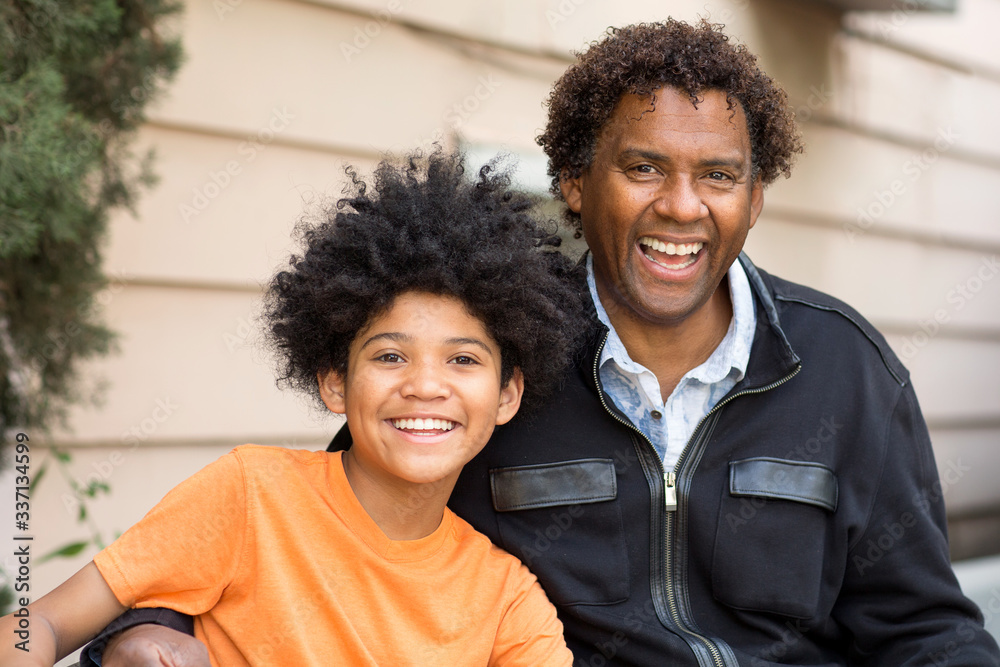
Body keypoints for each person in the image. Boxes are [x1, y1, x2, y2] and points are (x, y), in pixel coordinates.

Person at [82, 18, 1000, 667]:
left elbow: (925, 626)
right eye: (643, 167)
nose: (681, 206)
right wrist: (149, 623)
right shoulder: (495, 351)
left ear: (754, 197)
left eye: (718, 175)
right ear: (572, 181)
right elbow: (327, 519)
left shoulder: (844, 369)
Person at [2, 150, 582, 666]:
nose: (425, 386)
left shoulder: (507, 603)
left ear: (507, 394)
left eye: (462, 360)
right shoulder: (250, 494)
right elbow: (42, 623)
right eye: (389, 356)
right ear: (334, 382)